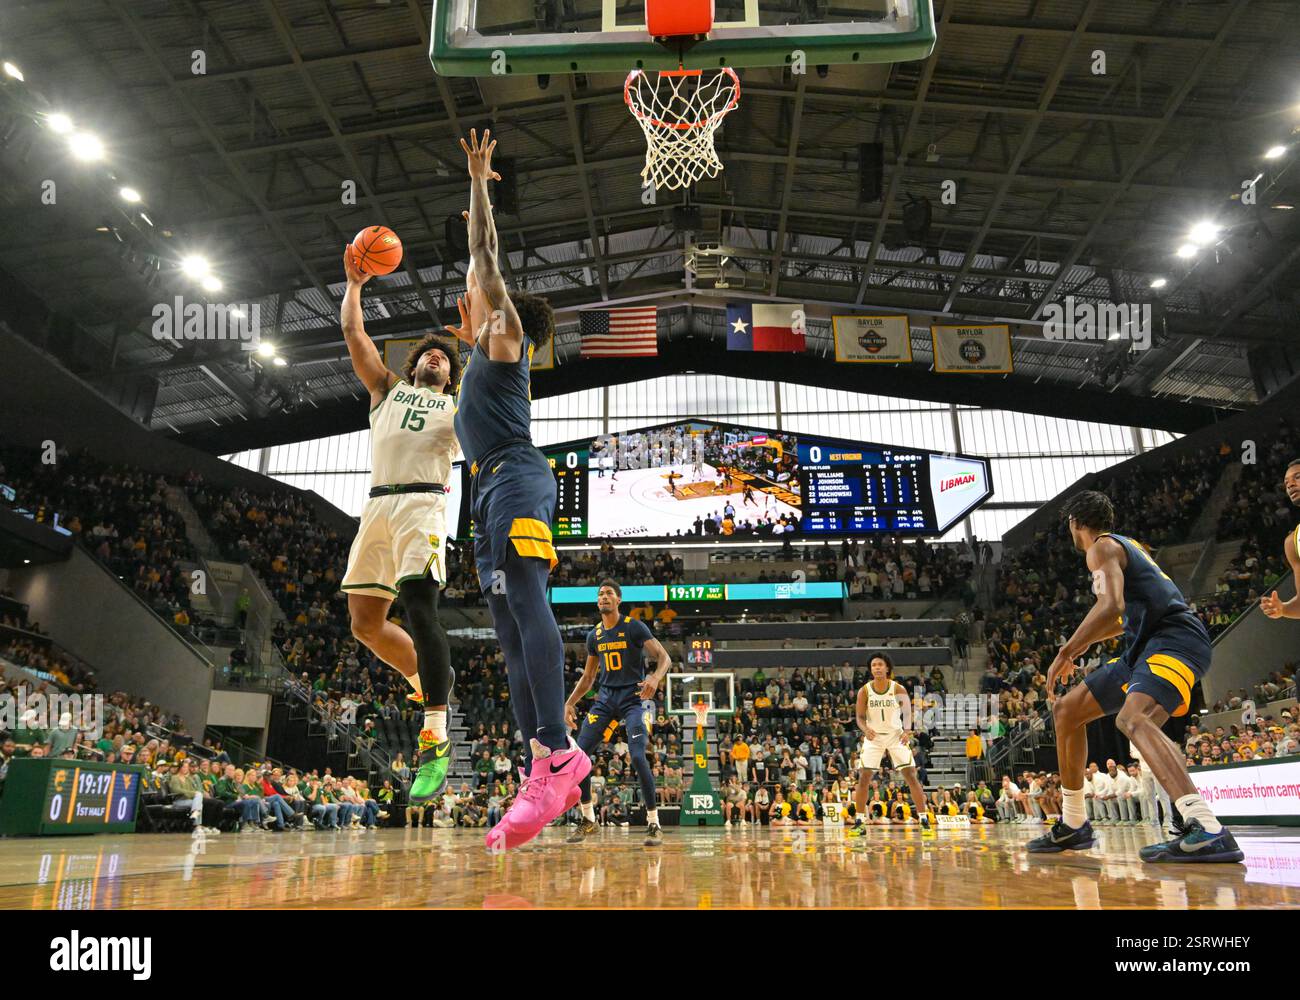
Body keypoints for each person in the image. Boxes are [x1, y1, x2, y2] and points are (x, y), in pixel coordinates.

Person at [451, 128, 589, 851]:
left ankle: (563, 749)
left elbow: (483, 255)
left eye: (474, 299)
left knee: (528, 607)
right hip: (485, 494)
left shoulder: (505, 339)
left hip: (516, 479)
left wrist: (477, 183)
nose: (466, 296)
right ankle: (543, 763)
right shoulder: (481, 358)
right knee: (506, 634)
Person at [1027, 490, 1242, 862]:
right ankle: (1074, 823)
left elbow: (1111, 605)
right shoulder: (1127, 546)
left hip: (1175, 639)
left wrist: (1067, 652)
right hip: (1143, 647)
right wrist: (1082, 645)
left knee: (1132, 718)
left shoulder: (1100, 547)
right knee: (1066, 711)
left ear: (1074, 523)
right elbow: (1117, 619)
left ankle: (1206, 826)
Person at [340, 245, 460, 809]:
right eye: (429, 353)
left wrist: (478, 336)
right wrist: (355, 286)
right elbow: (355, 338)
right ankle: (426, 680)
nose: (437, 356)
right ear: (413, 365)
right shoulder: (386, 390)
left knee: (418, 602)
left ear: (450, 374)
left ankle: (435, 733)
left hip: (422, 506)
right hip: (376, 507)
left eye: (445, 356)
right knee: (365, 624)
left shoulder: (457, 407)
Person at [565, 579, 673, 848]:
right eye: (600, 594)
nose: (603, 597)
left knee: (637, 756)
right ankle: (589, 819)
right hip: (606, 699)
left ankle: (653, 823)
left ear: (618, 600)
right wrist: (569, 703)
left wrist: (655, 677)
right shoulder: (595, 636)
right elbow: (589, 677)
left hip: (634, 699)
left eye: (609, 593)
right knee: (578, 757)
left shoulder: (633, 626)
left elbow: (665, 657)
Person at [848, 654, 931, 835]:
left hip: (895, 735)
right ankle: (860, 822)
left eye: (880, 664)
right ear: (871, 669)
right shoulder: (865, 691)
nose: (877, 667)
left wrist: (907, 730)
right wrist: (864, 729)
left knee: (911, 775)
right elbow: (860, 717)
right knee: (864, 778)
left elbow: (908, 712)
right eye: (874, 665)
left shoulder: (897, 688)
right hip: (874, 737)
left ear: (887, 668)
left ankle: (924, 820)